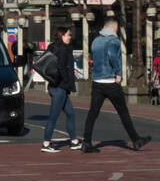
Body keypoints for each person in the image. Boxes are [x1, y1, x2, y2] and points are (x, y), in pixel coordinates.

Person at [81, 18, 151, 153]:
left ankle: (86, 142)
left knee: (93, 113)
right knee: (123, 112)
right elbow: (113, 56)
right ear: (114, 28)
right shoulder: (113, 40)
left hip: (97, 82)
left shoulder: (95, 40)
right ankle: (136, 140)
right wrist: (119, 73)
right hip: (110, 82)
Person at [41, 28, 80, 153]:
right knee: (53, 116)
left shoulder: (52, 47)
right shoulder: (63, 49)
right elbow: (62, 67)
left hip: (54, 86)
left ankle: (74, 141)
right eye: (68, 35)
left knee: (70, 113)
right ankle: (46, 144)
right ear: (62, 35)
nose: (70, 37)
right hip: (60, 88)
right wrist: (68, 82)